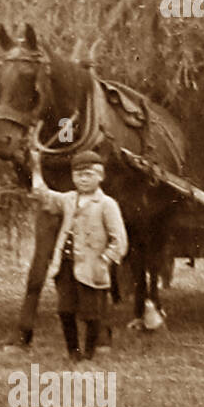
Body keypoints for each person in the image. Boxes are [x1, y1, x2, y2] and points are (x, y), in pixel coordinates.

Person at [28, 148, 128, 362]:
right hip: (66, 265)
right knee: (65, 311)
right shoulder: (68, 199)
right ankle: (73, 353)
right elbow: (42, 195)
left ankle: (89, 353)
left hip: (92, 267)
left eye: (88, 174)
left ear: (100, 177)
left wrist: (105, 259)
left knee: (91, 315)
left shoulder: (106, 204)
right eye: (78, 175)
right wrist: (36, 166)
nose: (83, 179)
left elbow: (119, 240)